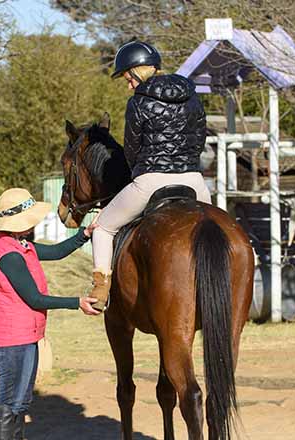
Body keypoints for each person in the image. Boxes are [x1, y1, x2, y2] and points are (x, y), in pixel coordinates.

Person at [0, 187, 100, 440]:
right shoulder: (8, 255)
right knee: (10, 406)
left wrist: (86, 234)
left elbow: (57, 252)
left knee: (19, 405)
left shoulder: (20, 245)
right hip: (12, 340)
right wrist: (77, 302)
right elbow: (35, 298)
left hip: (25, 336)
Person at [88, 40, 210, 311]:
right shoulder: (193, 97)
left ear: (139, 70)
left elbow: (132, 149)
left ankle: (100, 292)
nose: (128, 84)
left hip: (151, 179)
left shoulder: (138, 102)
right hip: (194, 180)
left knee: (103, 227)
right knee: (219, 232)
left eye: (128, 77)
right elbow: (200, 138)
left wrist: (140, 171)